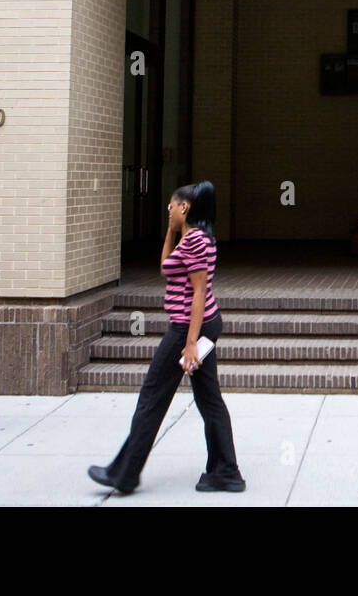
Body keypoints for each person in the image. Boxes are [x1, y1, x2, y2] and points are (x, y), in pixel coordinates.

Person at [88, 180, 245, 494]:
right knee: (208, 398)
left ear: (184, 207)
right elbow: (165, 267)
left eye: (171, 206)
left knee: (152, 396)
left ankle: (125, 474)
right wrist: (173, 232)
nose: (168, 210)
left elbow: (199, 292)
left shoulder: (197, 240)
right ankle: (226, 472)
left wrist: (189, 343)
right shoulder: (191, 238)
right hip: (198, 326)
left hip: (188, 328)